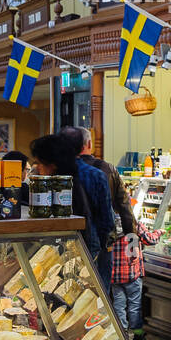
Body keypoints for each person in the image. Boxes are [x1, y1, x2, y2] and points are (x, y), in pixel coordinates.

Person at [59, 125, 116, 291]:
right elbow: (106, 219)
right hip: (91, 244)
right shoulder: (96, 174)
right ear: (87, 144)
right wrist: (108, 243)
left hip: (60, 244)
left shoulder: (52, 172)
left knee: (65, 292)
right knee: (95, 295)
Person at [110, 176, 161, 340]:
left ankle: (121, 338)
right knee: (134, 307)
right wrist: (160, 232)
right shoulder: (133, 224)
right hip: (132, 274)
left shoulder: (108, 225)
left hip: (114, 276)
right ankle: (138, 337)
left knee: (118, 305)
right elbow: (150, 240)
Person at [29, 133, 100, 258]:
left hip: (76, 253)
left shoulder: (69, 187)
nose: (38, 168)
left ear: (53, 164)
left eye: (40, 163)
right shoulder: (68, 183)